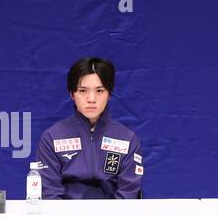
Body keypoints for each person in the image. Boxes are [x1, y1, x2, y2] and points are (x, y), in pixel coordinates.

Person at [35, 57, 143, 199]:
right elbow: (50, 193)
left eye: (99, 91)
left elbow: (129, 194)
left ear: (109, 94)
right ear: (72, 94)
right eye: (83, 90)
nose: (91, 99)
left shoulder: (128, 139)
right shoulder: (51, 138)